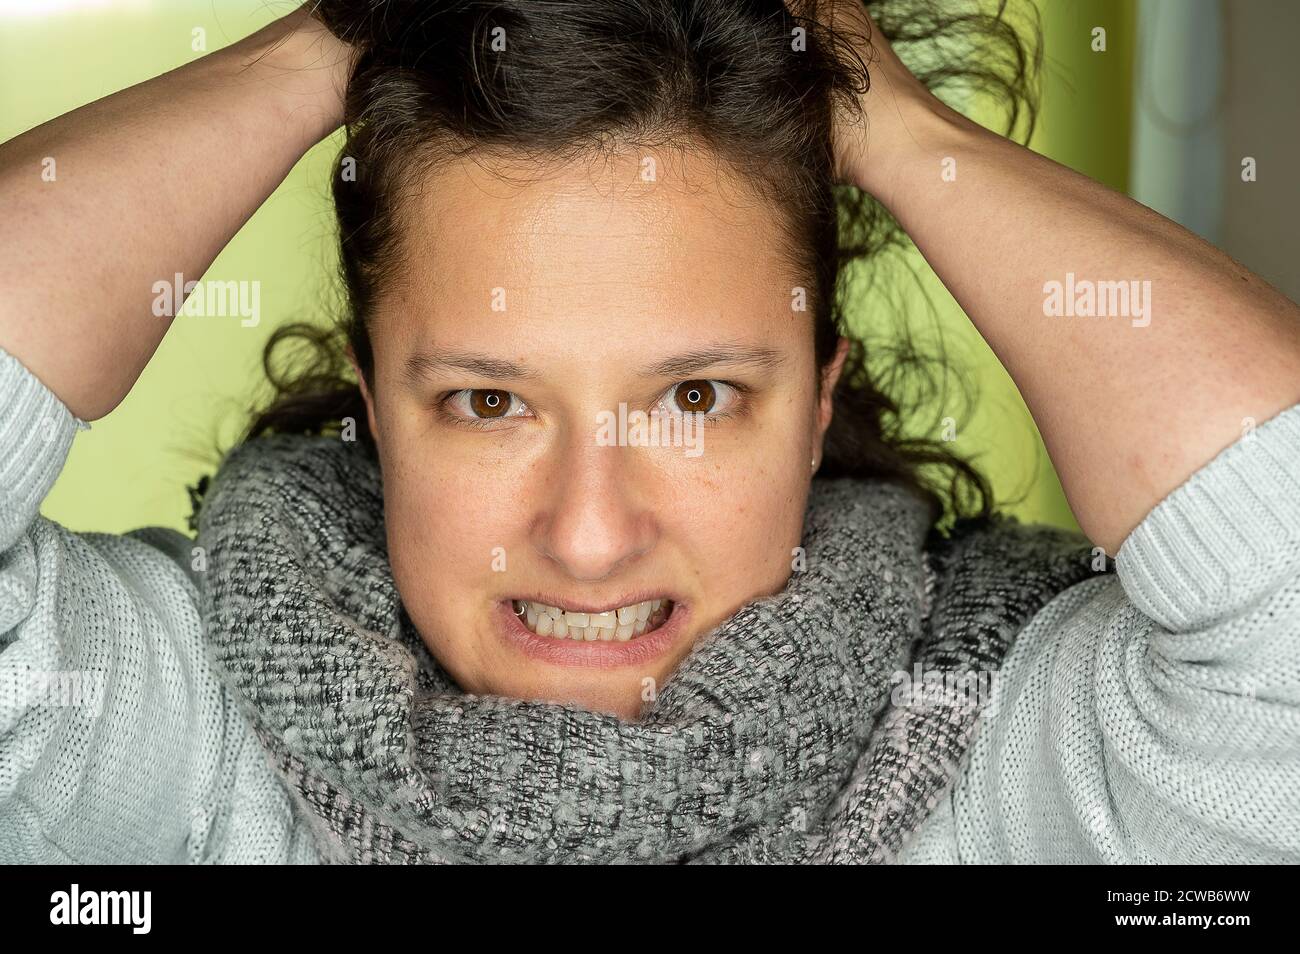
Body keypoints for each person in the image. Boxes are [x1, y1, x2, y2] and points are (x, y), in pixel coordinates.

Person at [1, 1, 1297, 864]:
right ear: (375, 411)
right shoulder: (190, 727)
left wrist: (893, 127)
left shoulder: (994, 748)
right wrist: (333, 43)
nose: (589, 533)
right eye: (488, 401)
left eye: (696, 397)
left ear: (817, 405)